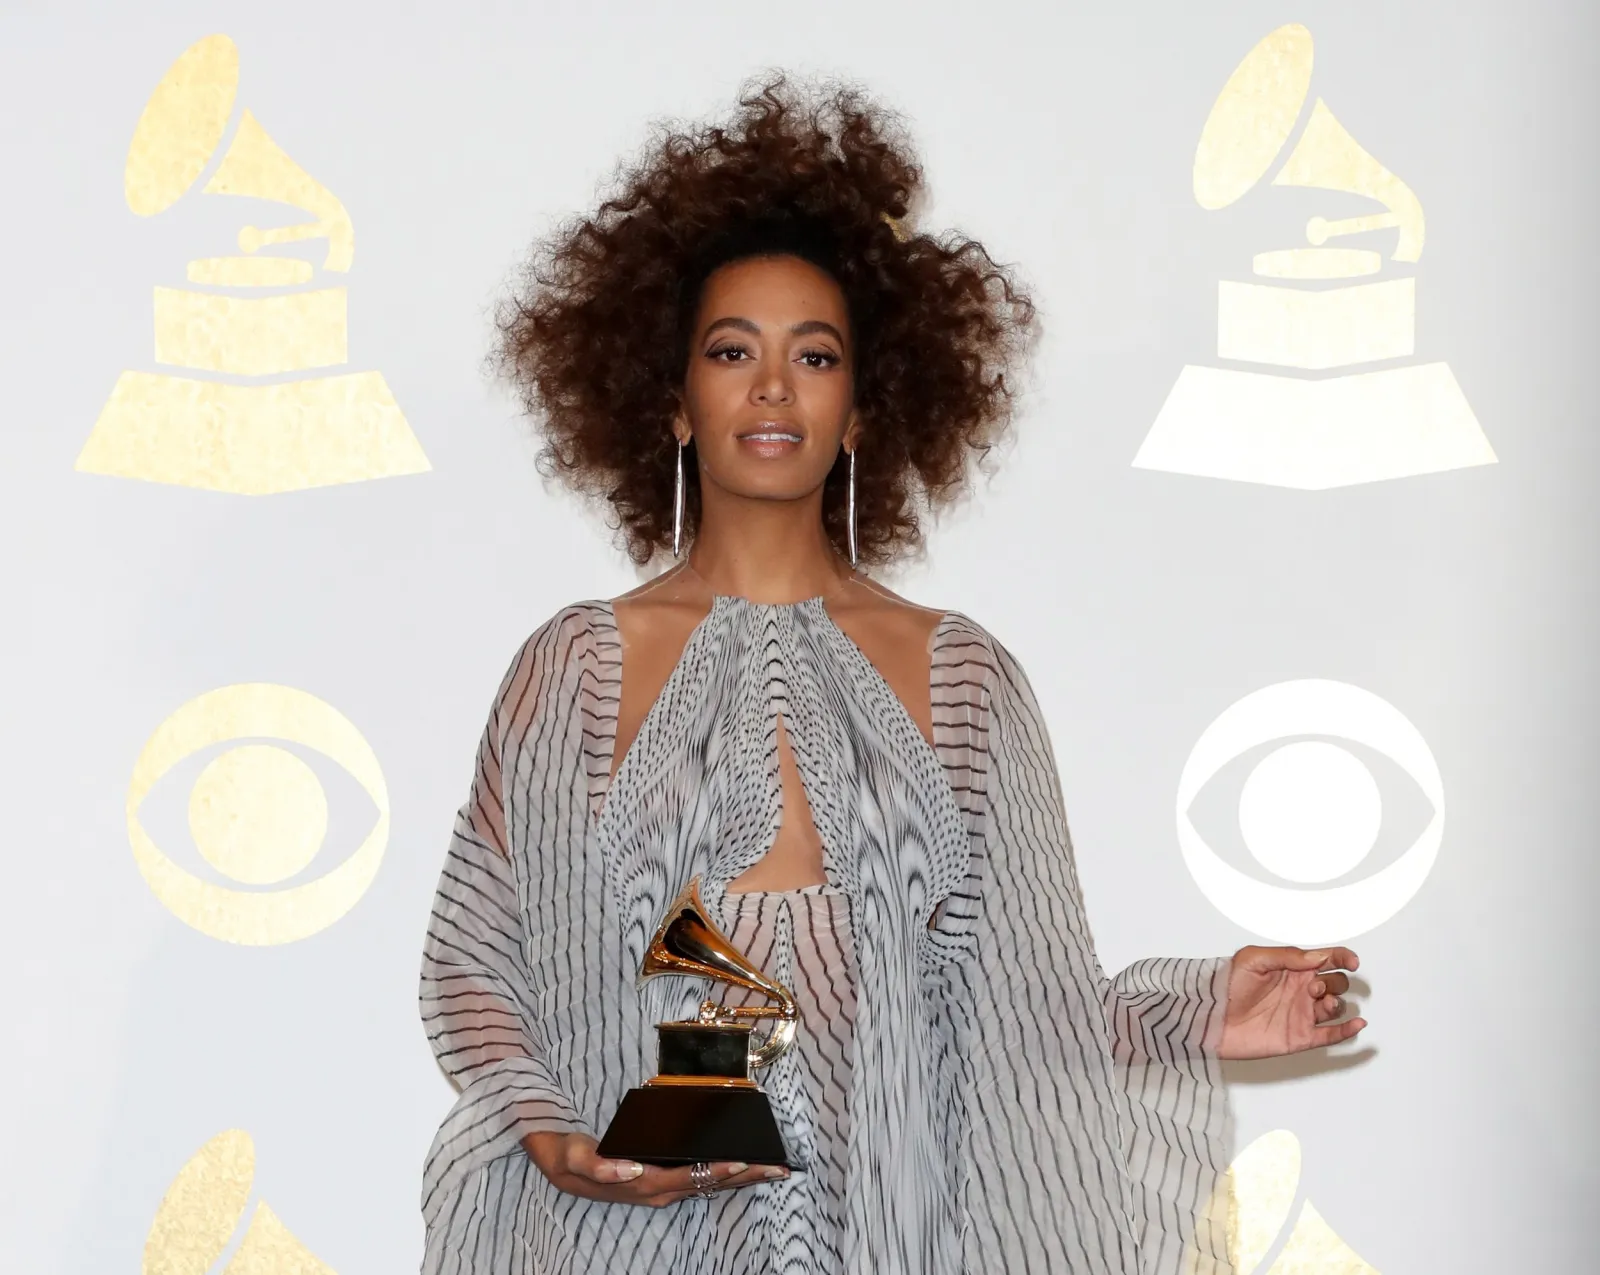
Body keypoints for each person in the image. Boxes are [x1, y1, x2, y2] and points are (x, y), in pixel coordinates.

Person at [418, 75, 1366, 1275]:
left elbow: (1016, 1009)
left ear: (862, 411)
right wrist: (550, 1133)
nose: (772, 386)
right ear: (672, 402)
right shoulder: (572, 670)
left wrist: (1195, 1009)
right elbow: (473, 957)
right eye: (731, 351)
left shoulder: (961, 681)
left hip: (890, 1238)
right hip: (621, 1245)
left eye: (814, 356)